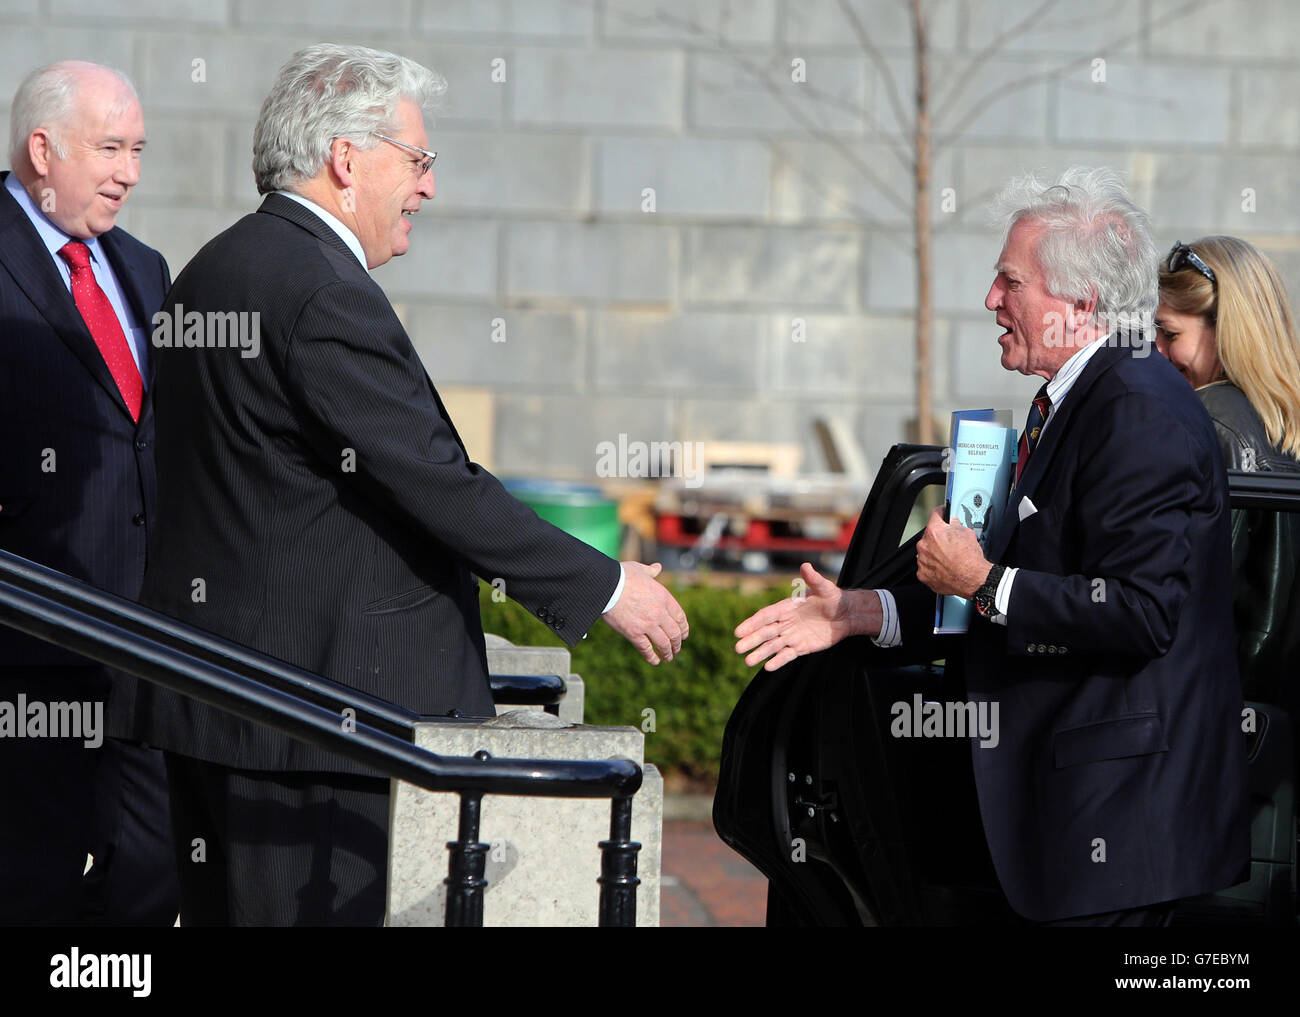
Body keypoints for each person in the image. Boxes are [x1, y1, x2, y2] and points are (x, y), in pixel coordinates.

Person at [111, 43, 688, 927]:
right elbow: (433, 479)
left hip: (241, 708)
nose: (427, 187)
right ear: (348, 159)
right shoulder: (318, 291)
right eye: (418, 162)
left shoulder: (222, 265)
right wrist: (603, 583)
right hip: (311, 728)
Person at [735, 167, 1249, 925]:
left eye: (1010, 282)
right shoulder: (1079, 398)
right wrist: (858, 611)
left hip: (1114, 829)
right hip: (1060, 822)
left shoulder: (1139, 409)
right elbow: (1000, 570)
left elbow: (1141, 611)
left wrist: (984, 581)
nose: (990, 300)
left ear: (1079, 304)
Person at [0, 61, 178, 925]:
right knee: (32, 878)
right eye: (110, 148)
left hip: (143, 637)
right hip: (27, 636)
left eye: (137, 150)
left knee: (149, 872)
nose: (129, 172)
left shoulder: (142, 267)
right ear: (43, 149)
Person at [1155, 235, 1300, 711]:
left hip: (1209, 710)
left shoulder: (1210, 422)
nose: (1156, 351)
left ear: (1224, 328)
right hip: (1269, 715)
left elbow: (1185, 608)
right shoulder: (1283, 423)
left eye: (1170, 334)